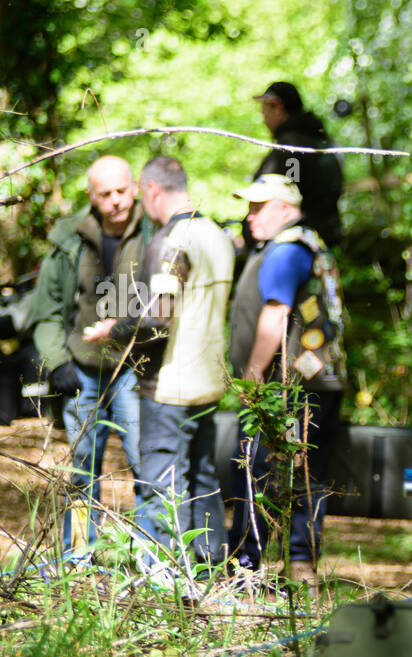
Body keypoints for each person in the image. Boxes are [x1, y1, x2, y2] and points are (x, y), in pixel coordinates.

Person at [85, 156, 234, 567]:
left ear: (150, 189)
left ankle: (160, 578)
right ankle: (208, 568)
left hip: (170, 384)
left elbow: (158, 321)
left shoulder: (170, 241)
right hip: (209, 380)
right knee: (203, 478)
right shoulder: (215, 234)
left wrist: (111, 332)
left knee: (160, 483)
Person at [227, 174, 346, 590]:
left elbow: (276, 314)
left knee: (263, 471)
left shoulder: (285, 250)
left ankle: (244, 567)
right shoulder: (312, 245)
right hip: (323, 381)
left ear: (284, 208)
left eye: (258, 208)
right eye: (248, 207)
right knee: (308, 475)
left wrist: (255, 372)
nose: (250, 217)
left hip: (290, 389)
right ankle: (302, 568)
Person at [29, 155, 148, 553]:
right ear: (91, 197)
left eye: (121, 191)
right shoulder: (69, 241)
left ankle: (155, 555)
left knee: (145, 462)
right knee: (82, 467)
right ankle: (78, 552)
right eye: (105, 194)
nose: (115, 201)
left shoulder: (157, 233)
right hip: (83, 370)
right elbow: (47, 311)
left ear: (134, 188)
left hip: (136, 368)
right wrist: (58, 362)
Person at [250, 81, 343, 250]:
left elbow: (289, 192)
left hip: (297, 245)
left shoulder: (291, 148)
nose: (263, 117)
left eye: (265, 109)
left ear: (277, 107)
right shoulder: (318, 140)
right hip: (325, 237)